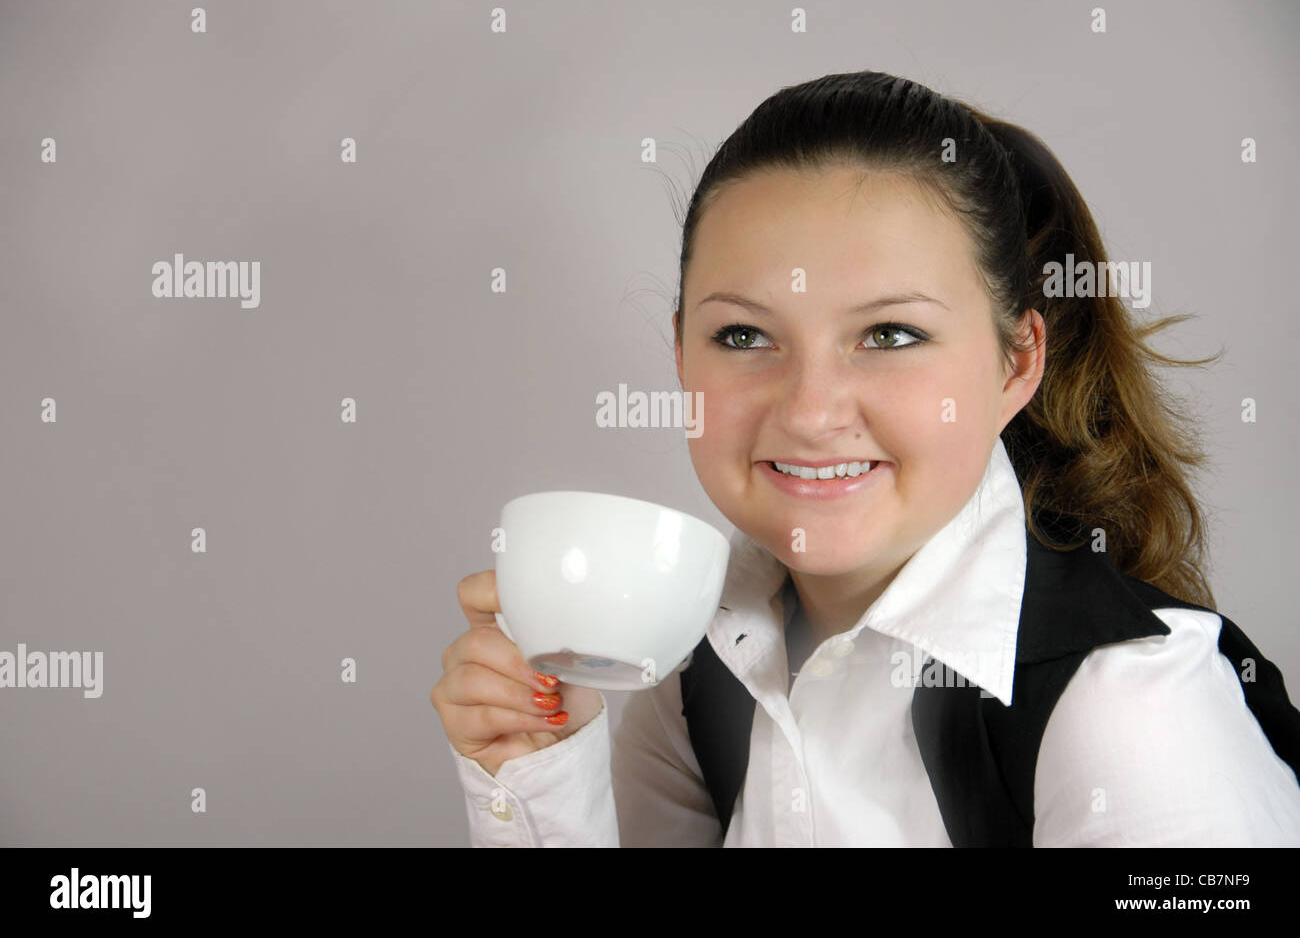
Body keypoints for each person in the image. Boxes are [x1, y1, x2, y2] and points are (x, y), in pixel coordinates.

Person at [430, 70, 1300, 846]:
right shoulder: (697, 670)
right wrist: (540, 770)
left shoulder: (1132, 710)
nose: (810, 412)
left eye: (890, 334)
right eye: (743, 334)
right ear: (679, 355)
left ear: (1017, 362)